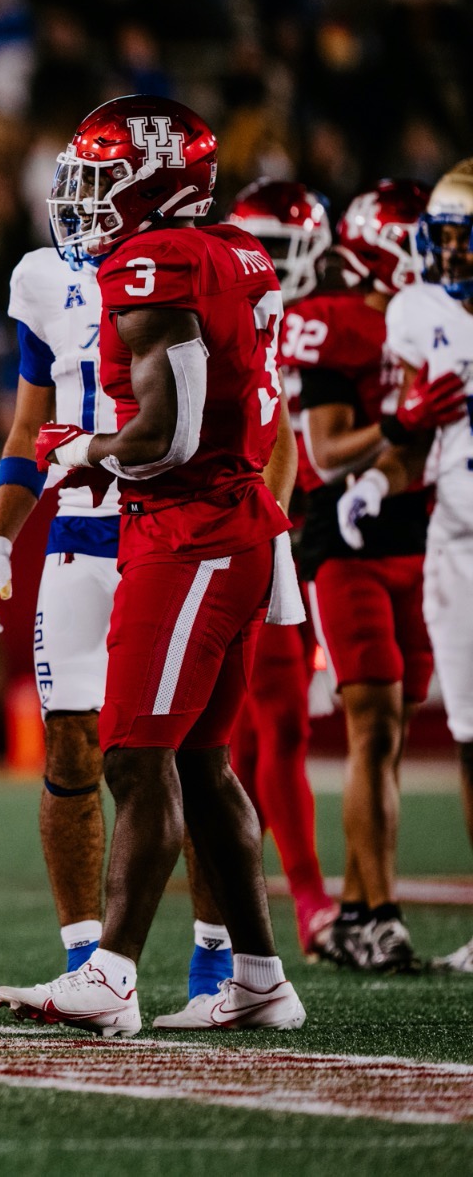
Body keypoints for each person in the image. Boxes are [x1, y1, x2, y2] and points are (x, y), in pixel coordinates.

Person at [0, 95, 307, 1035]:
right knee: (206, 763)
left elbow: (166, 436)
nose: (86, 200)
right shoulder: (232, 249)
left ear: (152, 182)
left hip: (190, 526)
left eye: (100, 178)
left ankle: (113, 971)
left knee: (136, 753)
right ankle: (257, 976)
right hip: (234, 520)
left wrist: (84, 449)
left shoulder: (154, 261)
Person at [0, 174, 241, 1008]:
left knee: (190, 753)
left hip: (165, 526)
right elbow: (28, 424)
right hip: (79, 535)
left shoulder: (188, 265)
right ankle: (88, 959)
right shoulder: (42, 276)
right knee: (72, 745)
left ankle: (214, 963)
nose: (82, 208)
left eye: (100, 188)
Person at [279, 179, 434, 972]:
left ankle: (355, 908)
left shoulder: (438, 318)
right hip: (348, 542)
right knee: (372, 725)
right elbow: (328, 448)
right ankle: (379, 911)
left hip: (427, 537)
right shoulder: (333, 324)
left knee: (397, 731)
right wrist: (408, 422)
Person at [340, 158, 473, 973]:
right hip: (457, 540)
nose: (452, 259)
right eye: (446, 241)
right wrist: (371, 479)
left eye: (468, 243)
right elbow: (420, 439)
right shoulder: (419, 311)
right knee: (470, 736)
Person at [223, 179, 340, 959]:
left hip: (303, 533)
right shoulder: (220, 308)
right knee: (249, 728)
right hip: (244, 528)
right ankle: (293, 900)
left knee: (281, 723)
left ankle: (282, 898)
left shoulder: (329, 325)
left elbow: (296, 442)